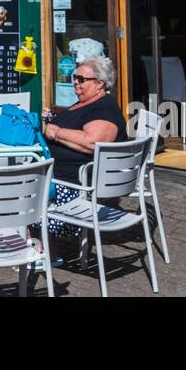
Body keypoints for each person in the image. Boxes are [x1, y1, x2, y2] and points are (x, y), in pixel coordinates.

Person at [42, 54, 128, 245]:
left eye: (82, 79)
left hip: (76, 181)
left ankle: (47, 246)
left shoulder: (104, 108)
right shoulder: (87, 102)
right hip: (63, 174)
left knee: (25, 183)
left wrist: (56, 132)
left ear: (100, 84)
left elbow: (93, 142)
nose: (75, 83)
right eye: (74, 77)